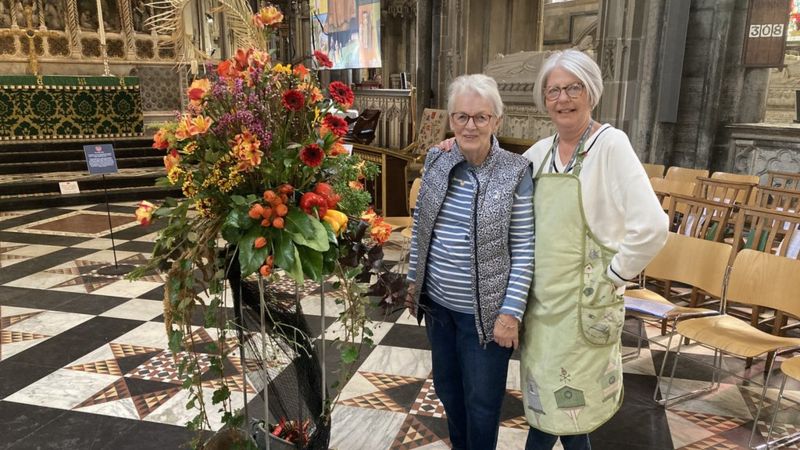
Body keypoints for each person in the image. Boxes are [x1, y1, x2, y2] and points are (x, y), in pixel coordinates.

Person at [519, 49, 668, 450]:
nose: (563, 99)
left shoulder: (610, 145)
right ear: (544, 98)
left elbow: (653, 225)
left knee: (565, 414)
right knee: (552, 409)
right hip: (542, 309)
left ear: (591, 92)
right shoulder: (538, 154)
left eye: (573, 88)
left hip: (585, 307)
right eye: (553, 91)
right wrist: (458, 145)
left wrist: (615, 274)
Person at [405, 73, 535, 450]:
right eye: (461, 116)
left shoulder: (515, 171)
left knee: (482, 405)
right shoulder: (438, 158)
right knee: (448, 391)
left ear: (497, 120)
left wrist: (510, 314)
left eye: (481, 117)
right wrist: (414, 282)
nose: (470, 125)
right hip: (438, 308)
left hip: (487, 317)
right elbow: (421, 226)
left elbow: (524, 249)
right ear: (451, 119)